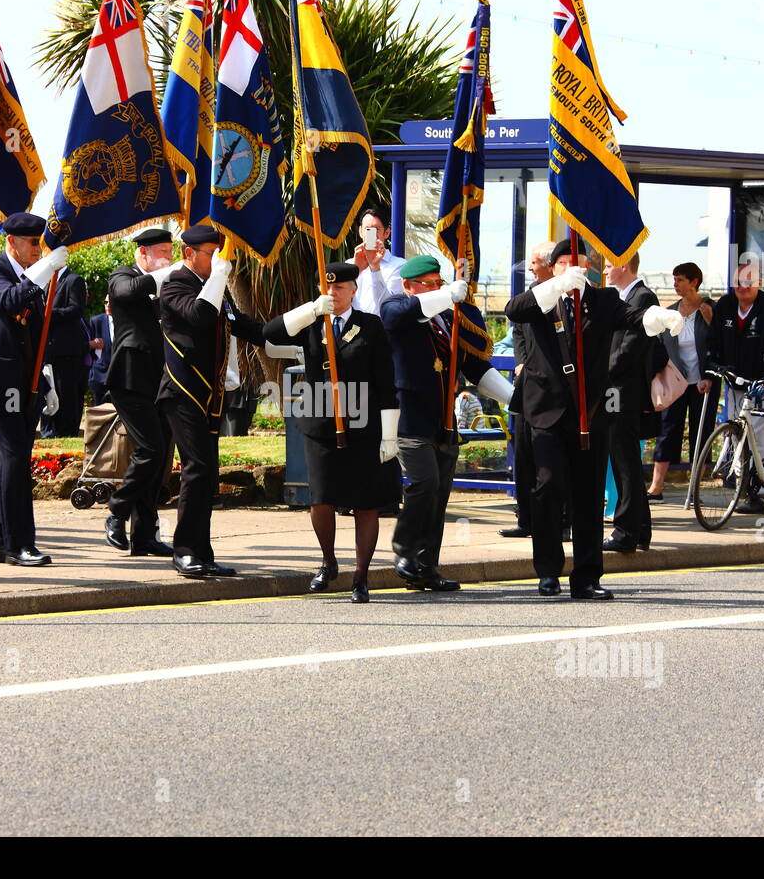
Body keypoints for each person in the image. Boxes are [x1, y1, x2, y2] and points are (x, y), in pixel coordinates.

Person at [505, 239, 684, 600]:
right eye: (569, 263)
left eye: (583, 264)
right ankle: (548, 570)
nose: (579, 270)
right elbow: (514, 310)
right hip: (547, 411)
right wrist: (556, 286)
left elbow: (632, 318)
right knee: (549, 487)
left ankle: (586, 577)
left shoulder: (602, 301)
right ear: (554, 268)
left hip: (590, 413)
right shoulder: (541, 298)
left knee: (588, 494)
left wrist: (659, 318)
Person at [264, 262, 401, 603]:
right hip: (321, 421)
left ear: (354, 290)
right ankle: (328, 562)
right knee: (320, 498)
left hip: (363, 423)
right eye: (327, 288)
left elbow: (386, 383)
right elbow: (270, 334)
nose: (333, 293)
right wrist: (311, 310)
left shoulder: (370, 326)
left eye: (340, 288)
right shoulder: (312, 322)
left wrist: (389, 434)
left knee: (365, 503)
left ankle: (361, 576)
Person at [381, 254, 514, 592]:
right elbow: (401, 313)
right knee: (423, 484)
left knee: (439, 493)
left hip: (443, 421)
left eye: (439, 283)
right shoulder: (397, 308)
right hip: (409, 419)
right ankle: (404, 551)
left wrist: (515, 398)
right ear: (409, 286)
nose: (438, 289)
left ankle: (426, 566)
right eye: (430, 284)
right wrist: (444, 296)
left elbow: (473, 366)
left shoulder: (447, 322)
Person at [157, 224, 265, 576]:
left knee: (207, 473)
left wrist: (304, 320)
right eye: (210, 253)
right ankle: (185, 550)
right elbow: (200, 317)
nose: (218, 259)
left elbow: (249, 328)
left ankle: (201, 551)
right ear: (189, 254)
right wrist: (219, 277)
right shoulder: (175, 284)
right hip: (181, 392)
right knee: (196, 468)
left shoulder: (214, 288)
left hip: (209, 394)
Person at [0, 211, 63, 567]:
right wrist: (44, 272)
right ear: (11, 241)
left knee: (14, 460)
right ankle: (16, 542)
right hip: (0, 379)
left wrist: (46, 379)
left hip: (27, 380)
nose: (38, 251)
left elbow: (39, 333)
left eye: (41, 244)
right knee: (12, 459)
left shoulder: (35, 276)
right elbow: (10, 301)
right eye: (33, 243)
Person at [104, 227, 179, 556]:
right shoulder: (125, 275)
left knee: (159, 457)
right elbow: (125, 293)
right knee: (150, 449)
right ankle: (117, 511)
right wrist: (165, 273)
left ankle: (145, 534)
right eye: (162, 251)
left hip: (162, 379)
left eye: (170, 251)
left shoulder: (169, 284)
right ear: (143, 253)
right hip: (130, 378)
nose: (169, 258)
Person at [706, 260, 764, 513]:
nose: (742, 287)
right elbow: (714, 338)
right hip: (734, 381)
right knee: (736, 432)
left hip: (761, 383)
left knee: (760, 436)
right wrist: (712, 366)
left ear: (759, 284)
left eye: (748, 282)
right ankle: (740, 482)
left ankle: (758, 491)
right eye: (738, 282)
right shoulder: (726, 305)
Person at [600, 252, 661, 553]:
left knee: (624, 460)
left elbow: (629, 348)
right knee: (624, 460)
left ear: (624, 266)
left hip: (622, 391)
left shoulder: (642, 298)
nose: (605, 271)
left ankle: (626, 531)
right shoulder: (622, 296)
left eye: (609, 265)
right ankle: (640, 528)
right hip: (617, 389)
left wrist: (600, 370)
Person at [648, 263, 717, 502]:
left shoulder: (709, 309)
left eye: (680, 280)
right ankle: (656, 488)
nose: (675, 284)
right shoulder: (670, 312)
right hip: (675, 383)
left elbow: (719, 344)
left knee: (701, 431)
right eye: (674, 279)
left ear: (694, 282)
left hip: (703, 382)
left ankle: (695, 489)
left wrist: (711, 322)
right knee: (667, 430)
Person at [502, 241, 556, 539]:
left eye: (535, 262)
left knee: (549, 462)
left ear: (550, 265)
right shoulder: (528, 296)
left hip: (553, 394)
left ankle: (557, 522)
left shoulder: (563, 296)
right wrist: (521, 362)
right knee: (523, 455)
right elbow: (518, 330)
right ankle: (526, 519)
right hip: (527, 388)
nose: (531, 267)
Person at [39, 260, 88, 438]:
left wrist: (48, 314)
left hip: (66, 350)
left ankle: (66, 432)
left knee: (66, 393)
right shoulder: (44, 281)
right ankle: (47, 431)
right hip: (47, 350)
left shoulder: (73, 280)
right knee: (47, 391)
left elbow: (76, 310)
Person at [346, 208, 405, 316]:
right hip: (353, 328)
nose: (371, 234)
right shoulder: (350, 264)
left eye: (376, 229)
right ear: (360, 231)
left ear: (386, 232)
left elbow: (388, 306)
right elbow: (340, 299)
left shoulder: (400, 265)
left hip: (382, 329)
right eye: (367, 229)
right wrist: (356, 270)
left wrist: (375, 268)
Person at [87, 299, 113, 406]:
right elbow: (87, 346)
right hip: (99, 375)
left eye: (111, 302)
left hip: (119, 376)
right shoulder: (96, 321)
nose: (108, 305)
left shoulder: (125, 321)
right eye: (106, 302)